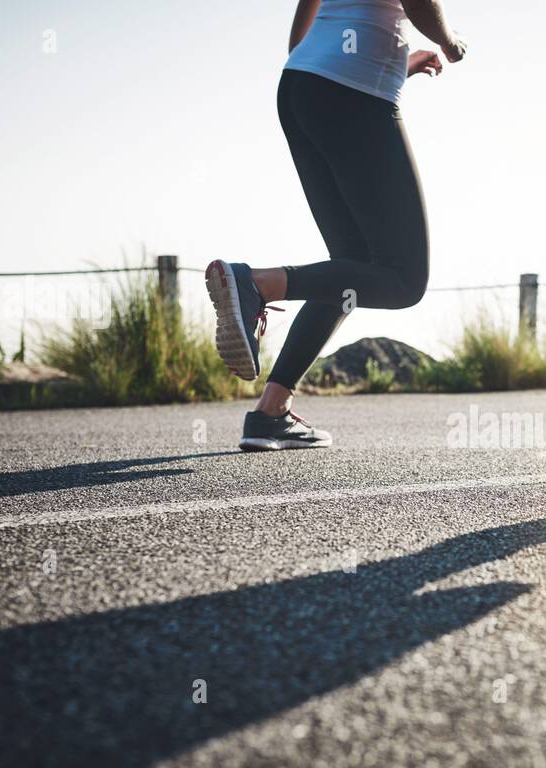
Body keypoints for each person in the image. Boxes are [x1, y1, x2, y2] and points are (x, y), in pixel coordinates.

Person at [206, 0, 466, 451]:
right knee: (404, 280)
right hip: (353, 96)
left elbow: (307, 30)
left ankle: (271, 411)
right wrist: (448, 40)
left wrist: (388, 64)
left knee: (351, 266)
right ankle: (257, 284)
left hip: (300, 90)